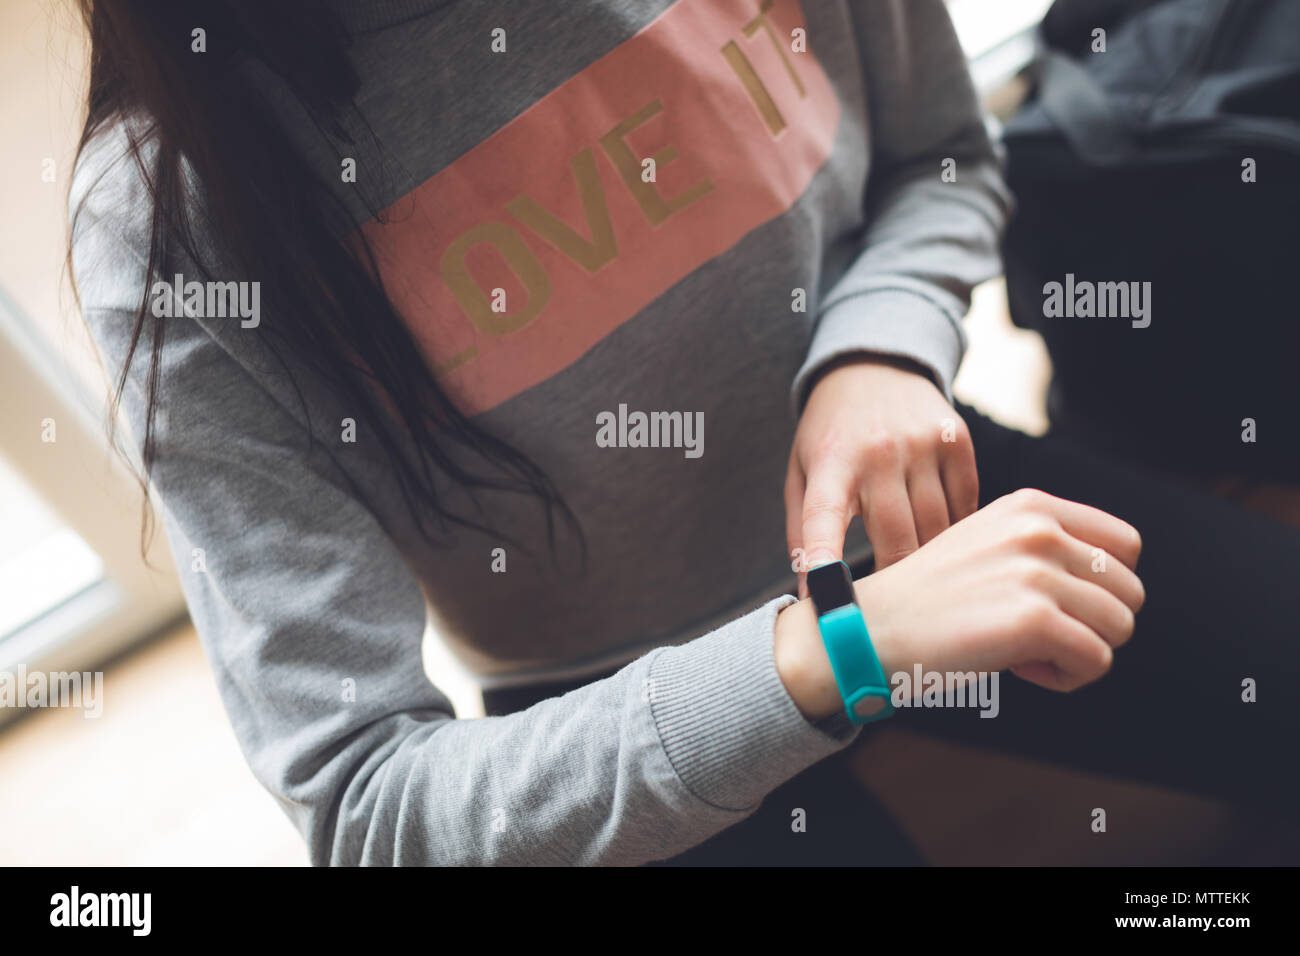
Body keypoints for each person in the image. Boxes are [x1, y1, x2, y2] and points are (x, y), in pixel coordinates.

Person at [69, 0, 1299, 866]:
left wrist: (881, 345)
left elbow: (938, 154)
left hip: (922, 517)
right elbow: (366, 801)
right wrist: (836, 652)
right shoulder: (166, 218)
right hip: (602, 707)